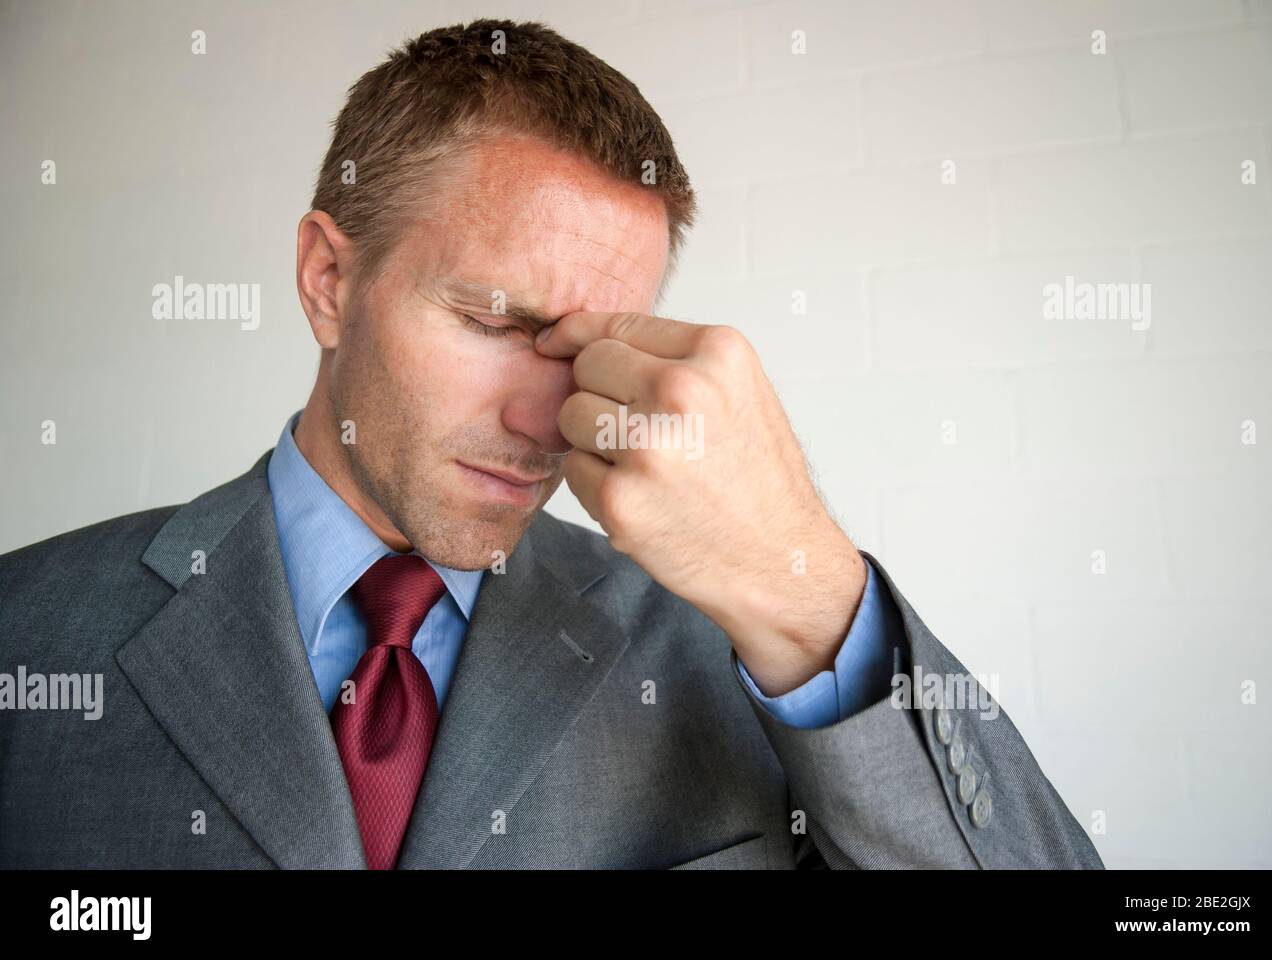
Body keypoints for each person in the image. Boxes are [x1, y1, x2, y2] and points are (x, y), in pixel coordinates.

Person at [0, 19, 1101, 869]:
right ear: (329, 280)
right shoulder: (29, 635)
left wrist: (799, 578)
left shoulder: (728, 662)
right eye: (491, 323)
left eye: (586, 354)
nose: (545, 422)